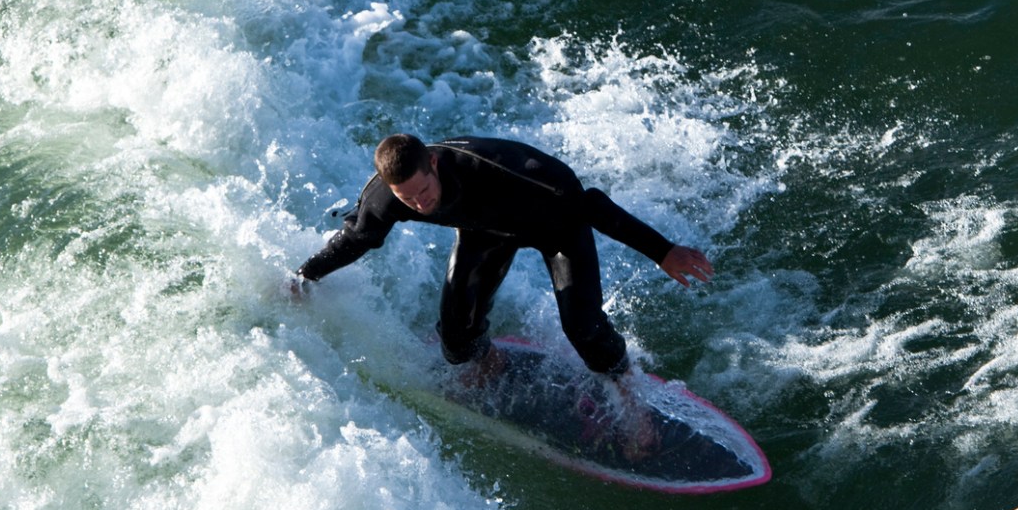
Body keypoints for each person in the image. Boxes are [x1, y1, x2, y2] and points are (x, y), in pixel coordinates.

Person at [292, 134, 712, 382]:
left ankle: (627, 389)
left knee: (582, 328)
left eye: (425, 192)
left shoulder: (509, 173)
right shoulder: (390, 196)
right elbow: (356, 239)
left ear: (433, 163)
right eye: (408, 199)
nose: (420, 205)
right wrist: (304, 277)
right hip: (486, 231)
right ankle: (491, 365)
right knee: (455, 340)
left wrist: (663, 251)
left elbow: (592, 205)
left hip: (556, 224)